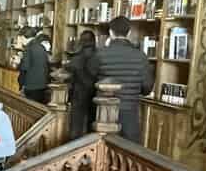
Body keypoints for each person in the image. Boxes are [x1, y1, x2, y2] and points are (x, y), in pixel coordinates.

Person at [87, 15, 155, 143]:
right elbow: (147, 88)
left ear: (110, 33)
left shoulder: (100, 54)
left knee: (101, 147)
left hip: (102, 112)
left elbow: (89, 80)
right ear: (129, 33)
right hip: (129, 110)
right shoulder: (141, 56)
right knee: (129, 152)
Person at [66, 29, 97, 139]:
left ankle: (74, 150)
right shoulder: (99, 56)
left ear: (81, 41)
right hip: (96, 96)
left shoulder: (76, 57)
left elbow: (68, 73)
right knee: (92, 126)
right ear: (94, 41)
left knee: (76, 127)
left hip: (78, 95)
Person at [17, 27, 51, 103]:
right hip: (42, 85)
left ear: (23, 37)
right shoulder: (41, 46)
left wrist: (21, 85)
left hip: (31, 85)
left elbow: (25, 68)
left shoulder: (28, 48)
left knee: (29, 110)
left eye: (20, 38)